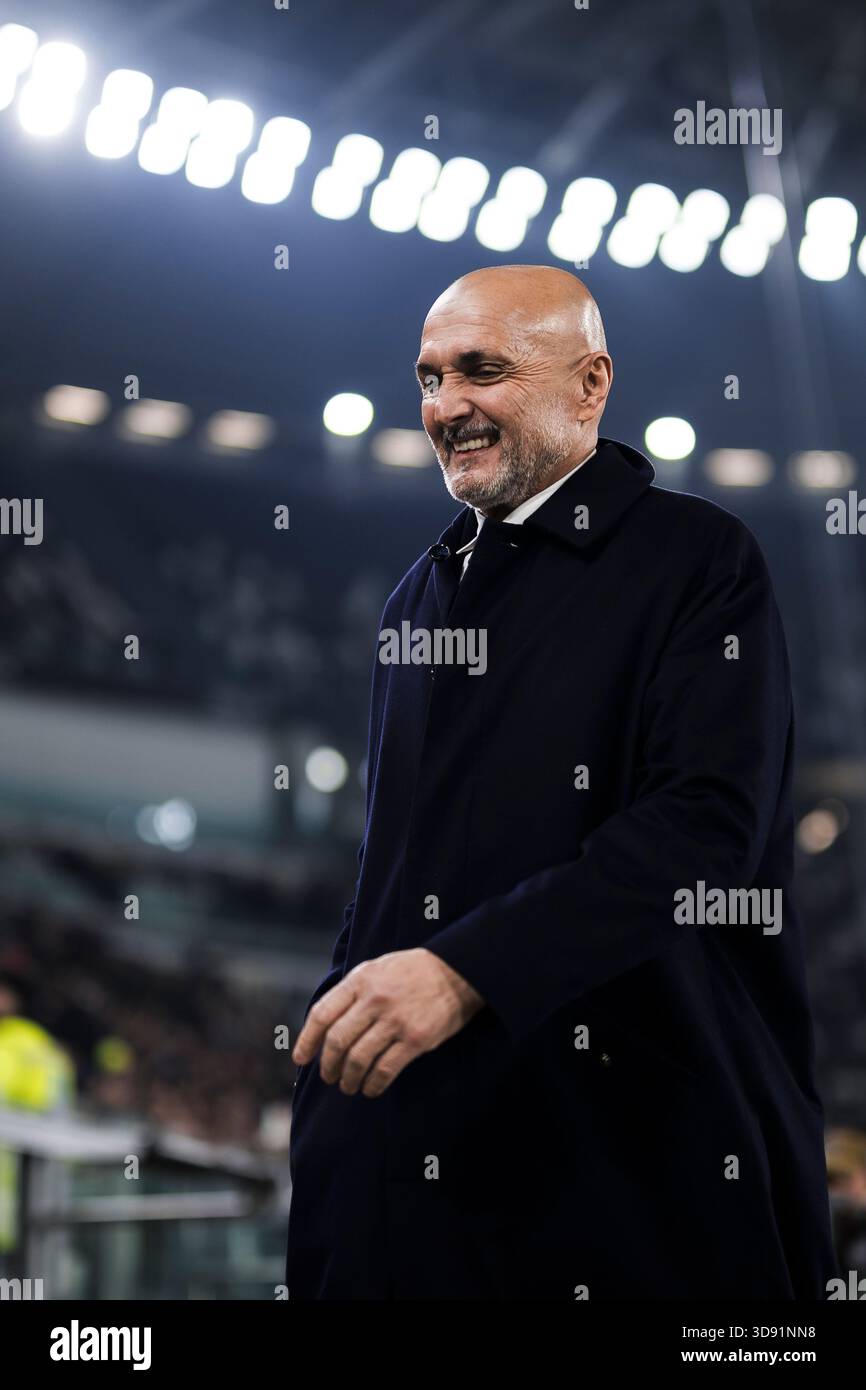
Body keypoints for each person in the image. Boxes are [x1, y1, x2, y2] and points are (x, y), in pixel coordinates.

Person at [286, 264, 837, 1299]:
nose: (445, 406)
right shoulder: (416, 594)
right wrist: (331, 1118)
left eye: (480, 371)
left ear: (588, 385)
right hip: (417, 1180)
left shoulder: (696, 559)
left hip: (634, 1179)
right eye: (429, 376)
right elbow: (388, 874)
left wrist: (463, 972)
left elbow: (702, 832)